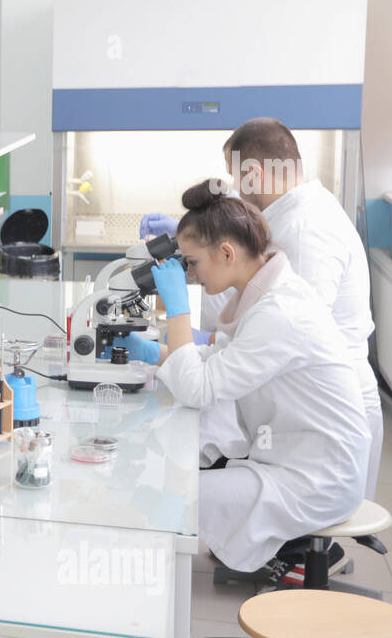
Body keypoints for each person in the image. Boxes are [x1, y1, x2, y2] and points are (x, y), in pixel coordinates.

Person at [120, 180, 371, 580]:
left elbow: (198, 389)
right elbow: (218, 362)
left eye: (191, 263)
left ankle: (152, 598)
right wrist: (157, 354)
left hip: (317, 478)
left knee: (177, 497)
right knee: (171, 470)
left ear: (226, 252)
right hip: (293, 455)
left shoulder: (280, 311)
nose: (190, 274)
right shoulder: (267, 295)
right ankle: (157, 568)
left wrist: (177, 312)